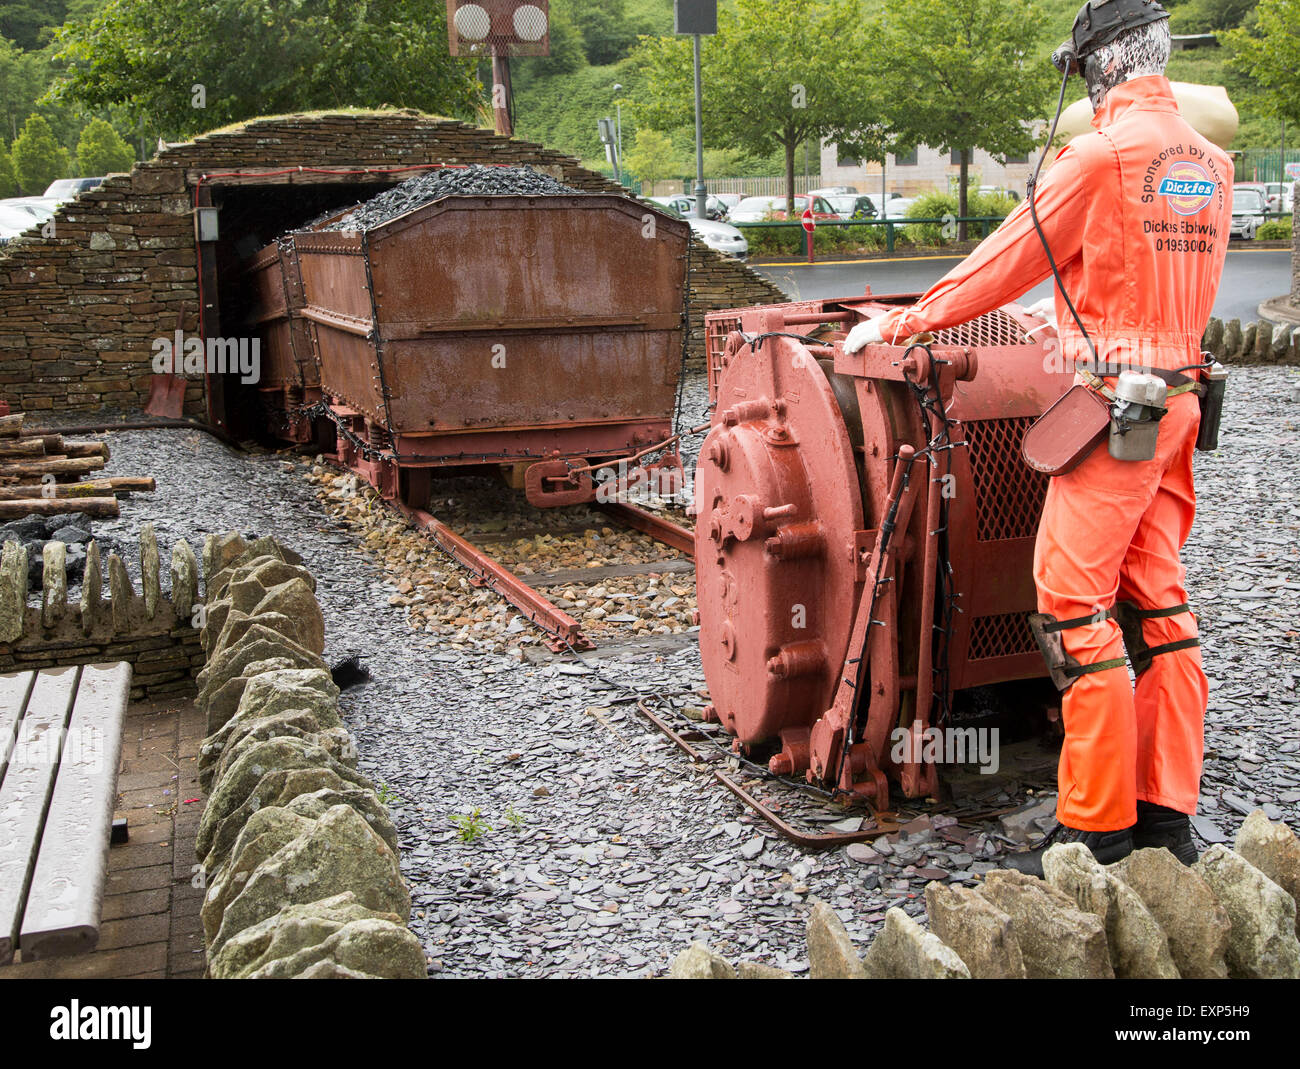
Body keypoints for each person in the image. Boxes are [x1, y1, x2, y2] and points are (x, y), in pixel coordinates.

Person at [844, 0, 1233, 876]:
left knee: (1073, 610)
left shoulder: (1096, 158)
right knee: (1161, 605)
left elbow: (1006, 261)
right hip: (1178, 408)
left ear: (1095, 67)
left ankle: (1096, 829)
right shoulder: (1211, 162)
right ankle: (1167, 813)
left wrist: (908, 323)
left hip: (1113, 417)